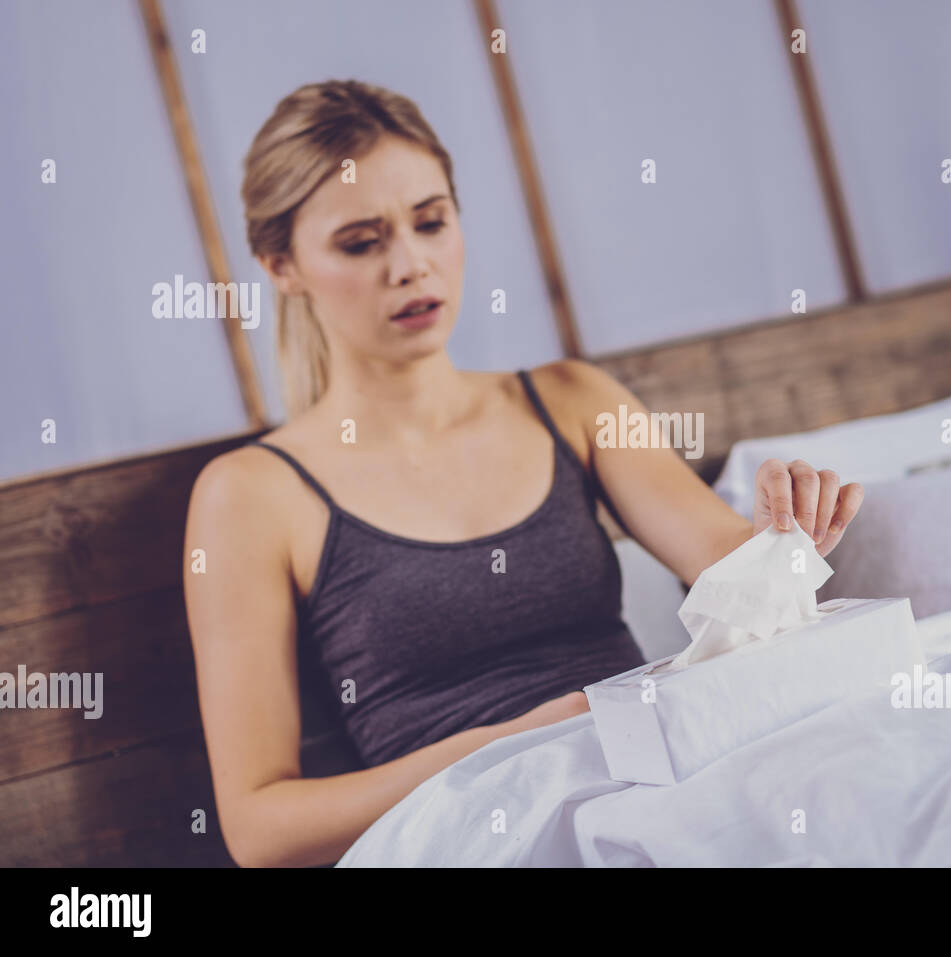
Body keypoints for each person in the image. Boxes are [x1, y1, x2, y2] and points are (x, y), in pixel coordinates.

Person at [182, 79, 864, 868]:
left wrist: (784, 540)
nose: (411, 264)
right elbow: (262, 828)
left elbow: (736, 571)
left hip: (664, 789)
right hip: (476, 836)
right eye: (361, 242)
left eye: (431, 222)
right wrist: (522, 738)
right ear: (281, 265)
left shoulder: (570, 402)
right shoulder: (251, 495)